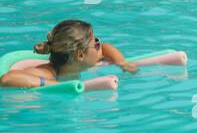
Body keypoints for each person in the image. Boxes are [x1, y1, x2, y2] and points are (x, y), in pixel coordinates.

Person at [1, 20, 137, 89]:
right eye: (95, 43)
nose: (99, 46)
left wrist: (122, 62)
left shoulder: (81, 61)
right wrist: (53, 84)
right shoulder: (48, 73)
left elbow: (106, 48)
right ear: (80, 56)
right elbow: (8, 78)